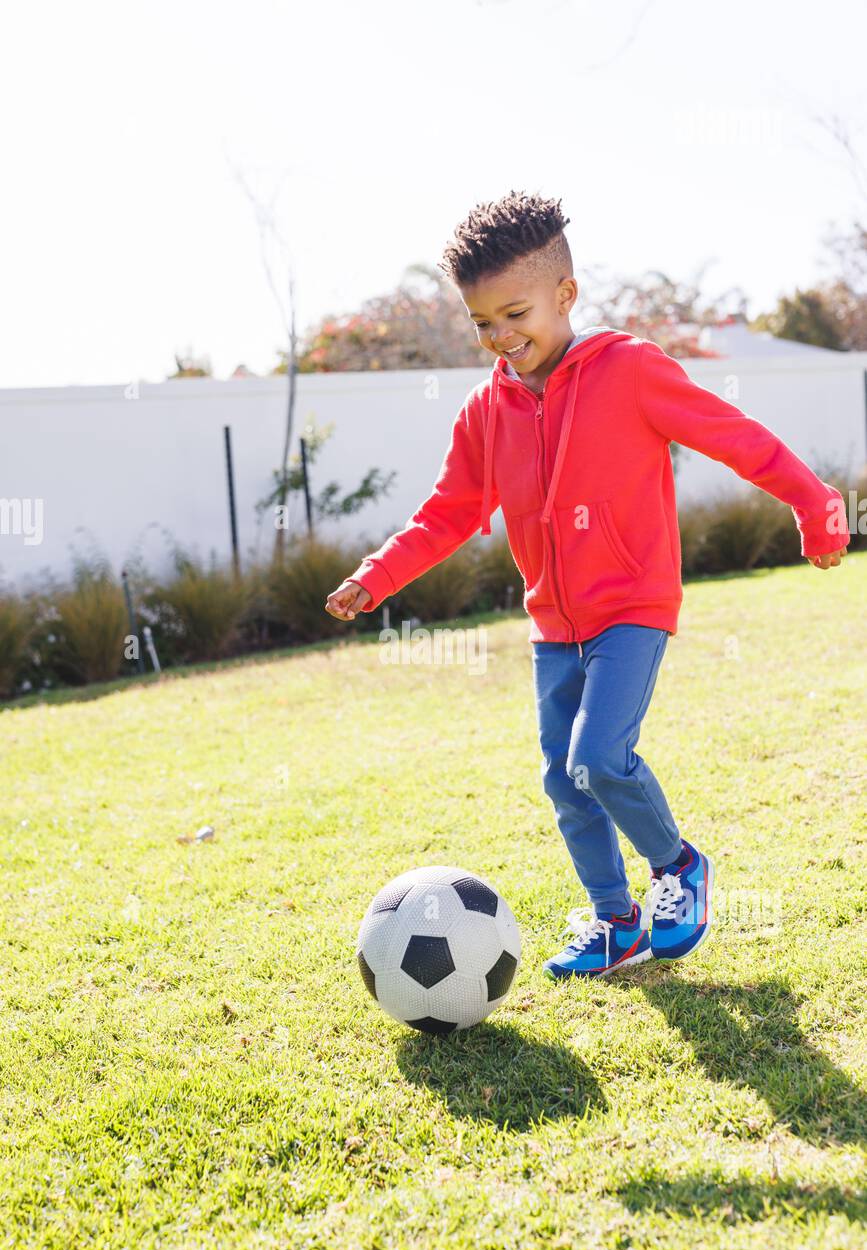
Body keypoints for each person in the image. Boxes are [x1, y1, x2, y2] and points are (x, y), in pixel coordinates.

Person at [325, 191, 849, 980]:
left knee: (600, 759)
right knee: (563, 782)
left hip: (631, 607)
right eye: (482, 323)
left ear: (564, 295)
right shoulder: (484, 411)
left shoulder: (629, 370)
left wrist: (815, 505)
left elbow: (733, 438)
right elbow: (449, 512)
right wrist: (376, 577)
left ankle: (678, 869)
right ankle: (616, 923)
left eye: (514, 313)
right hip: (552, 625)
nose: (500, 337)